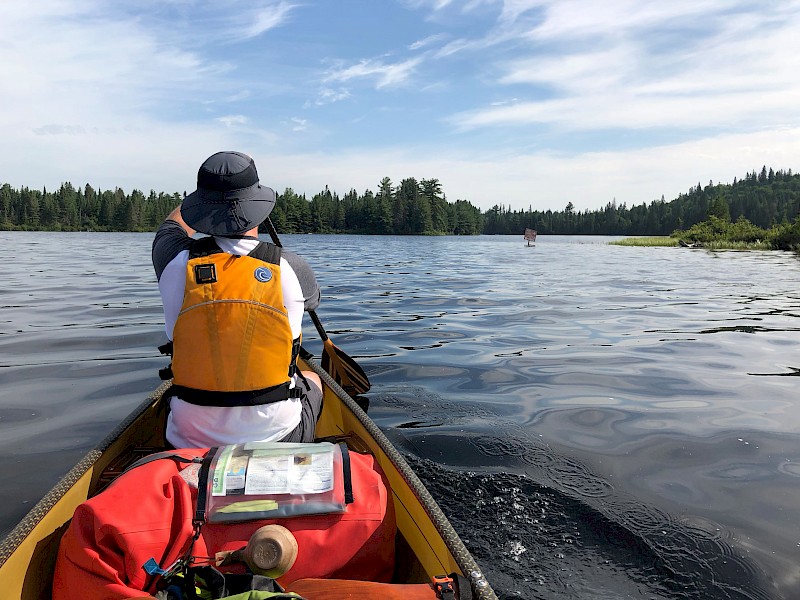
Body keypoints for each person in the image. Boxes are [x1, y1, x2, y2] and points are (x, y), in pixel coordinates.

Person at [152, 150, 323, 448]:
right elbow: (312, 302)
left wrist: (206, 198)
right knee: (314, 379)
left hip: (186, 439)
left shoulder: (171, 261)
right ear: (258, 207)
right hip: (279, 436)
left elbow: (171, 227)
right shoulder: (292, 267)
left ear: (200, 207)